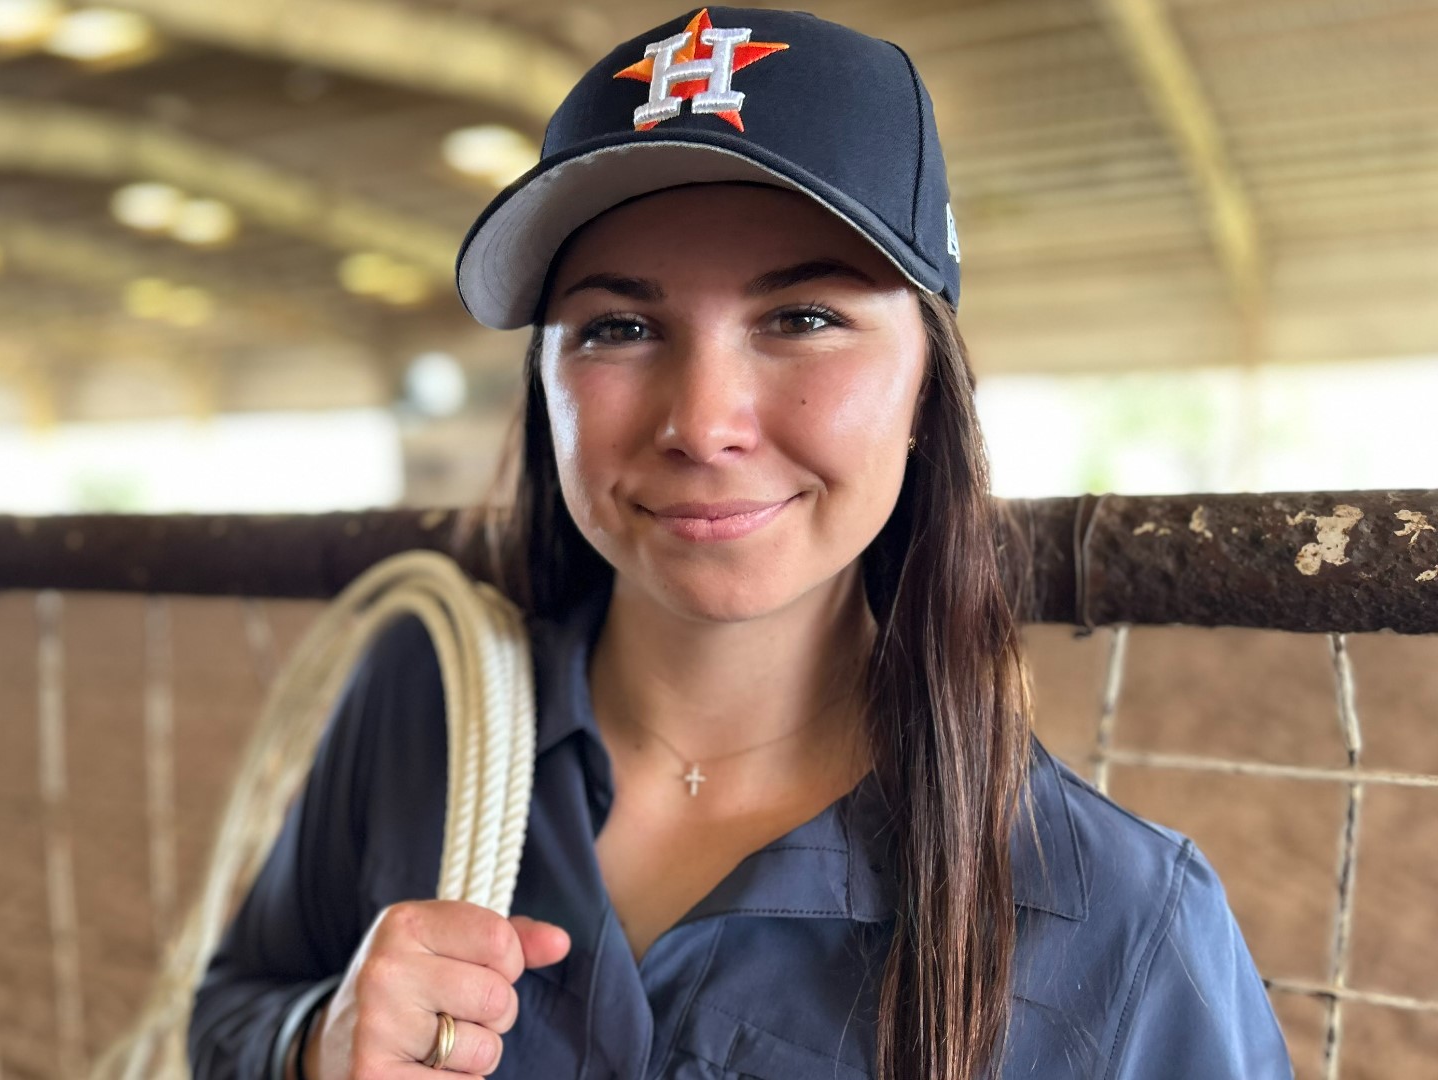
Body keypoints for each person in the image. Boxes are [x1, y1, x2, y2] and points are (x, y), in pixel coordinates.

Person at [188, 7, 1292, 1079]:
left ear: (926, 387)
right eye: (618, 327)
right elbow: (231, 1012)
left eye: (802, 317)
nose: (702, 424)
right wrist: (315, 1046)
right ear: (545, 384)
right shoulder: (425, 703)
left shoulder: (1126, 929)